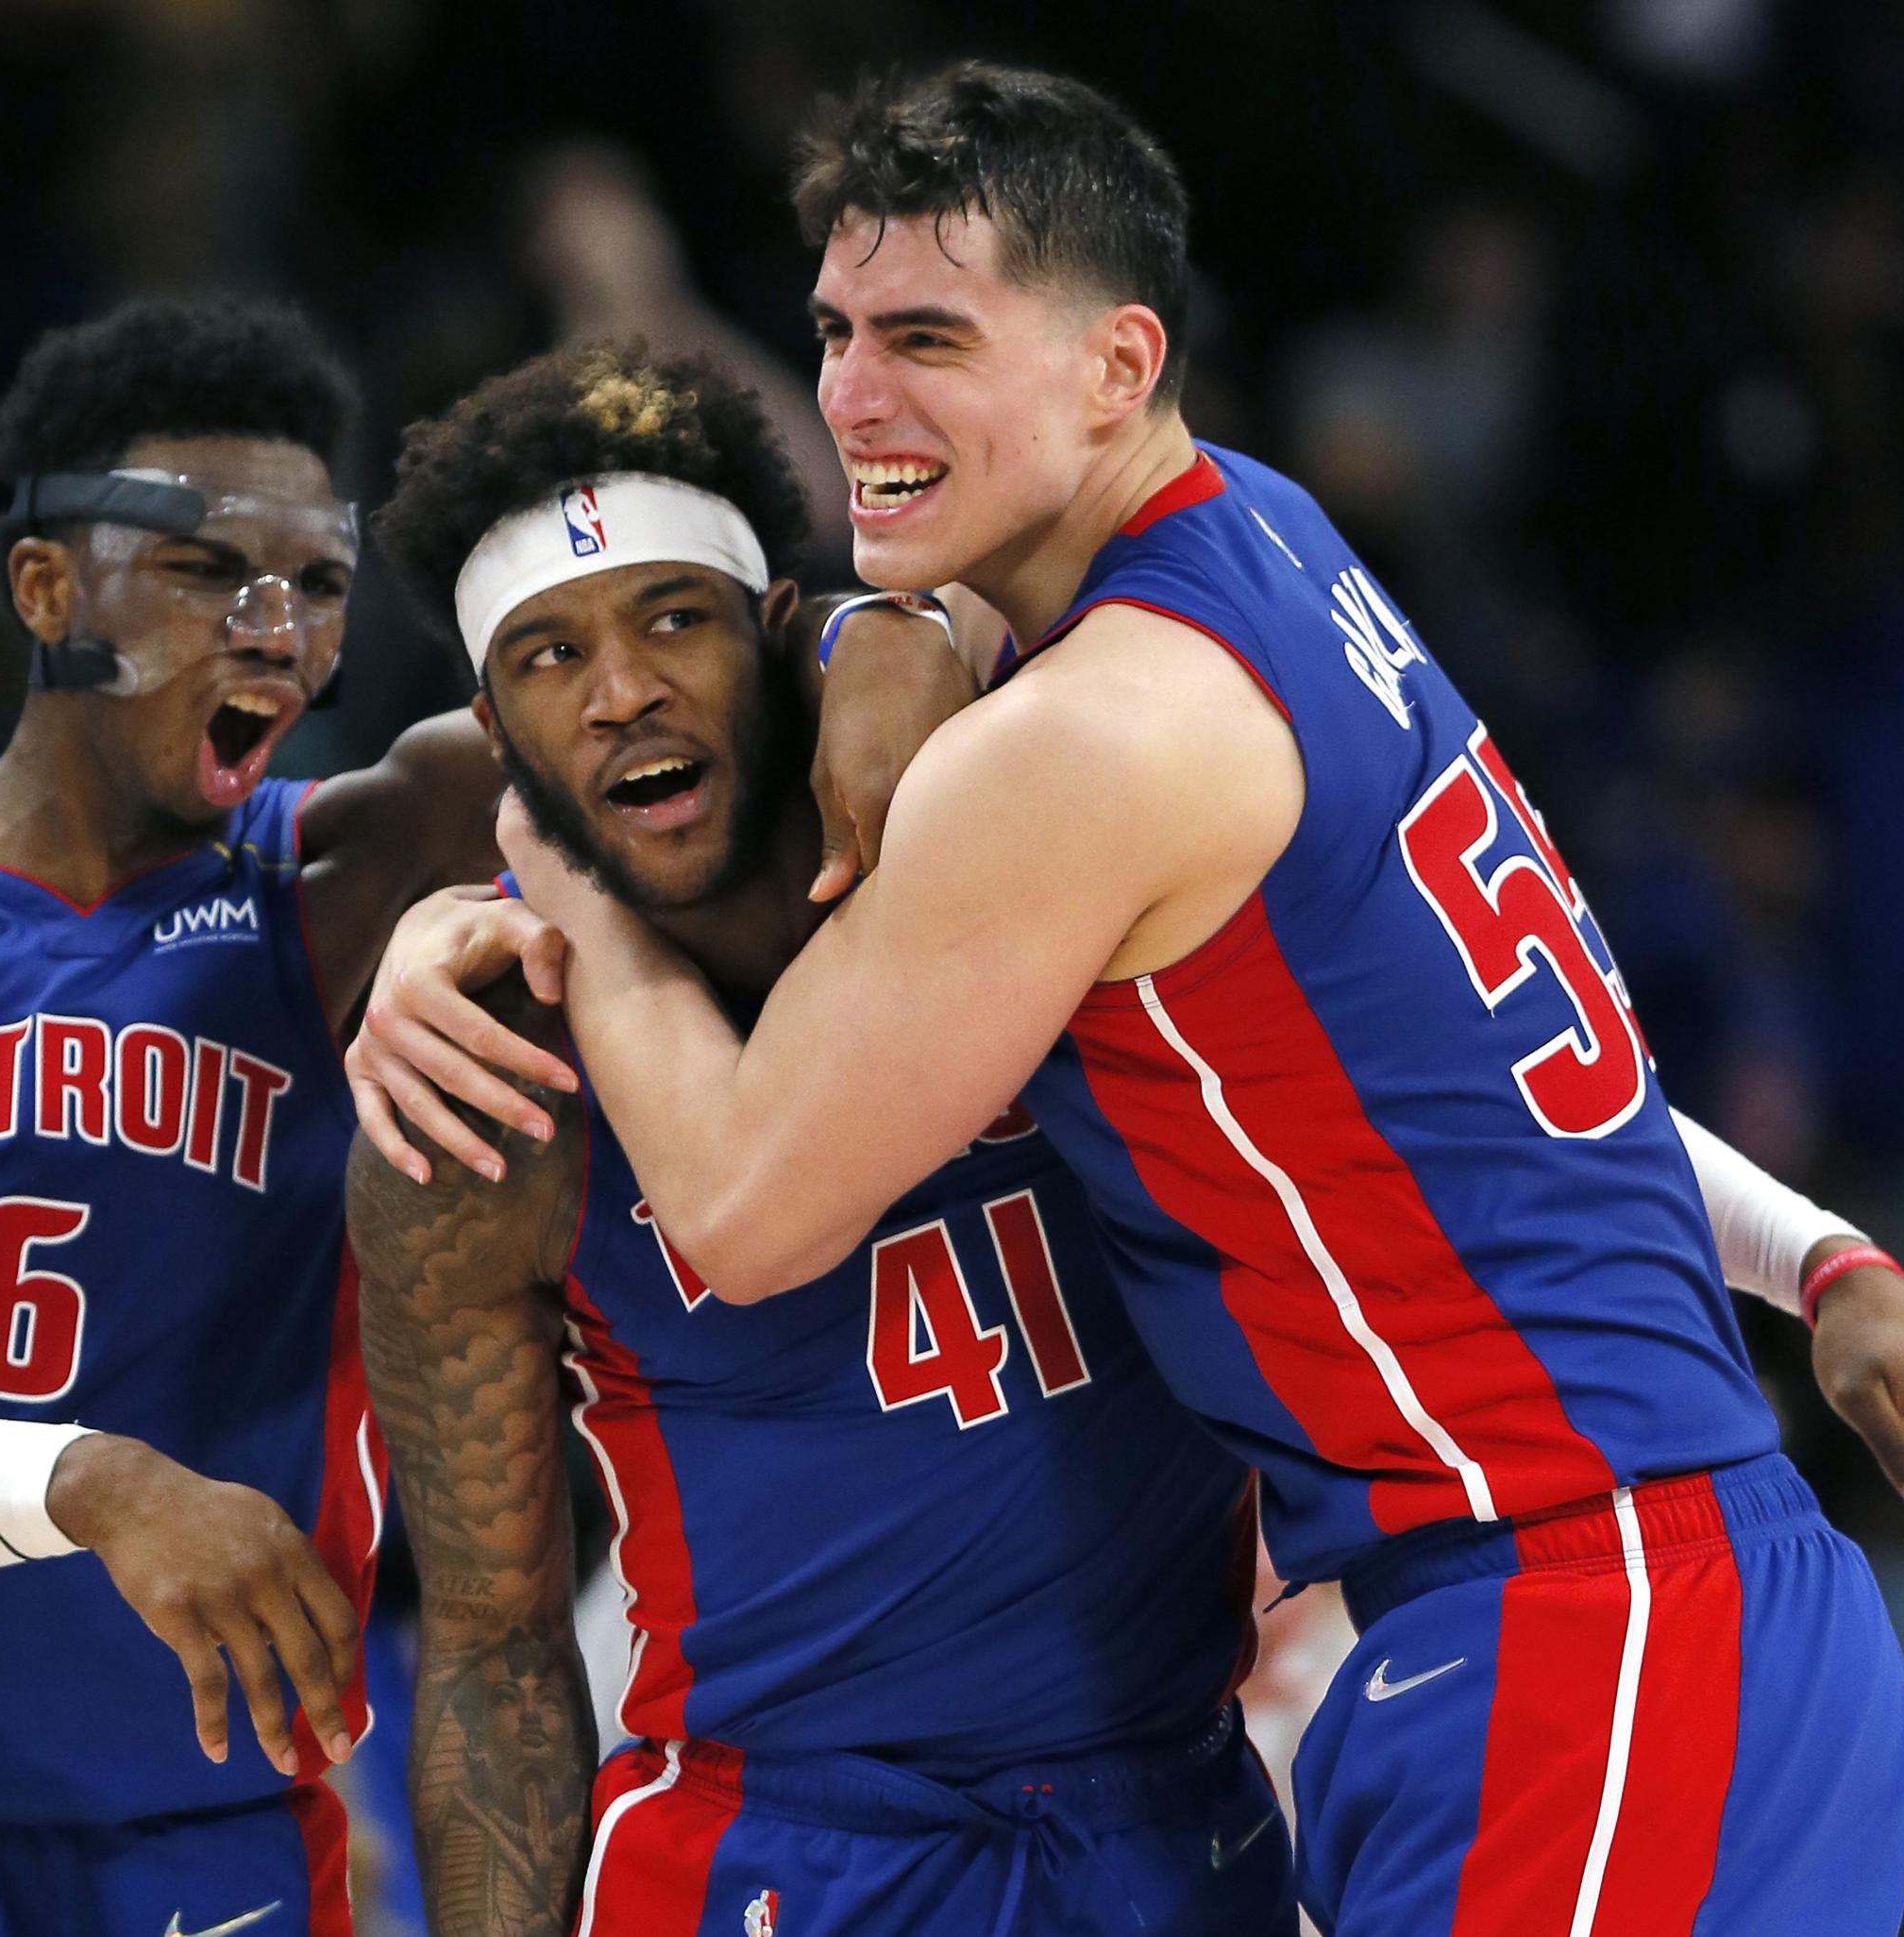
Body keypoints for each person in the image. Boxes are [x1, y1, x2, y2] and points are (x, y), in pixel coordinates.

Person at [351, 63, 1904, 1937]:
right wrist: (1823, 1259)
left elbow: (740, 1208)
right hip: (1565, 1616)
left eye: (927, 340)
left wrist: (549, 871)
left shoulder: (1075, 746)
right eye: (833, 336)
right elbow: (1464, 1080)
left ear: (1117, 365)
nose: (855, 400)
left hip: (1572, 1633)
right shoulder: (1258, 538)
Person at [0, 295, 952, 1937]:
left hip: (199, 1837)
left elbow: (671, 663)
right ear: (47, 588)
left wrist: (899, 633)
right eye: (205, 573)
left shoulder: (348, 869)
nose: (273, 628)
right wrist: (99, 1485)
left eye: (312, 589)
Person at [350, 340, 1288, 1937]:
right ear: (497, 740)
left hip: (1170, 1805)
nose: (623, 687)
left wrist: (898, 625)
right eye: (549, 655)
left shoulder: (1038, 851)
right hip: (783, 1849)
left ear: (774, 634)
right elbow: (499, 1647)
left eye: (671, 620)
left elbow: (1403, 1106)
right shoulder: (489, 1084)